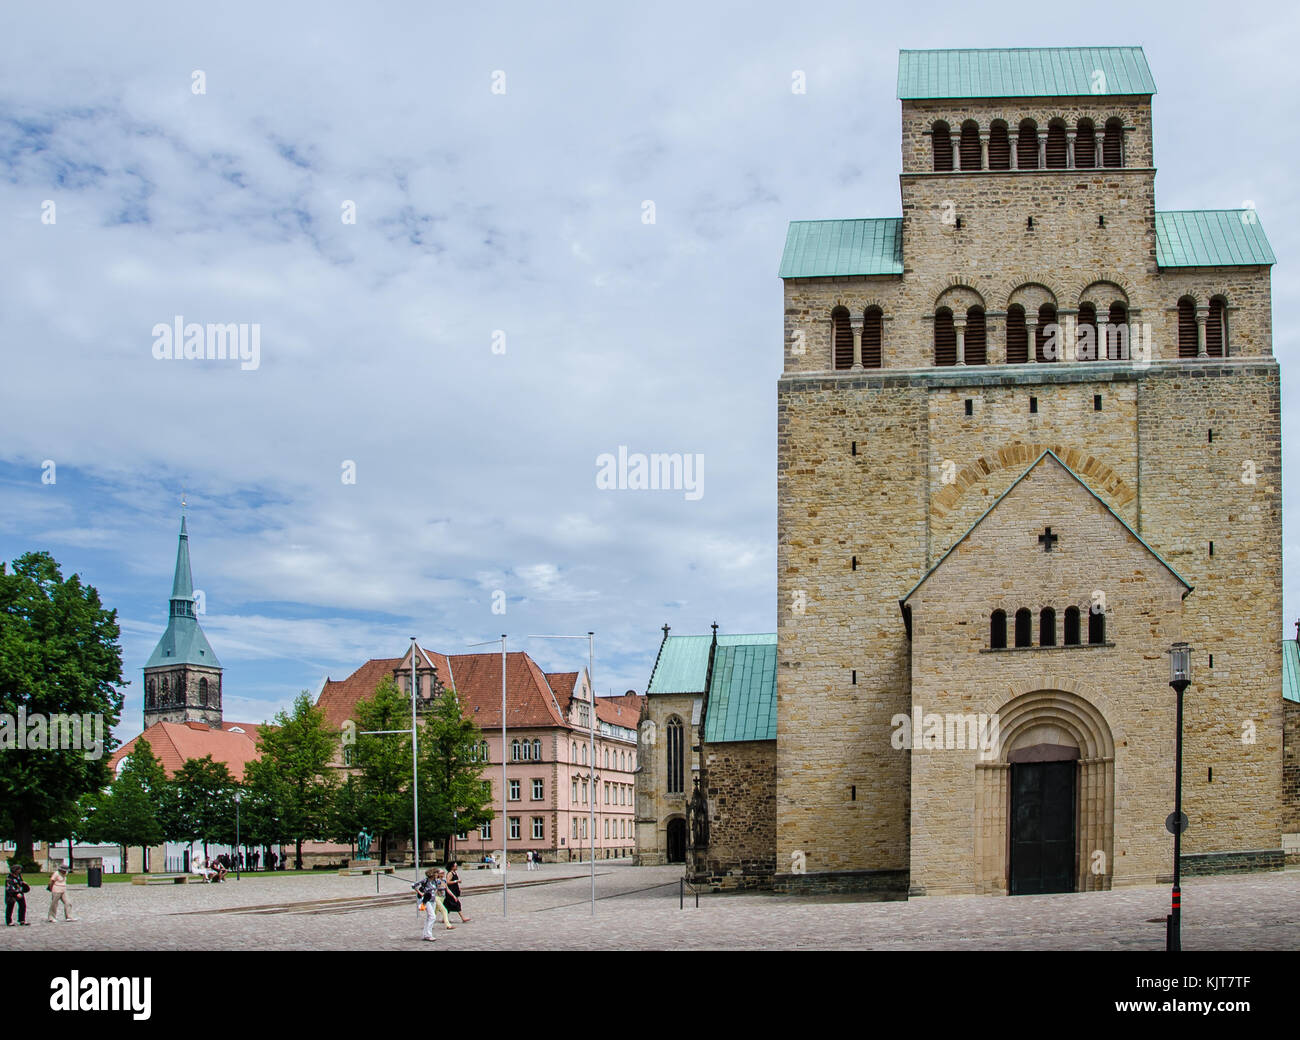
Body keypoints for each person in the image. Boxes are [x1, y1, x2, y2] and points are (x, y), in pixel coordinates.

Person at [413, 868, 440, 942]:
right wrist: (420, 893)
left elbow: (436, 888)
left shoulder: (436, 881)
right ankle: (428, 935)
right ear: (433, 874)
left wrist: (435, 892)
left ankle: (425, 934)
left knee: (429, 917)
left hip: (433, 900)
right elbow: (414, 885)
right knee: (432, 916)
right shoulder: (425, 880)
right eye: (436, 873)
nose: (438, 874)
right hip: (426, 900)